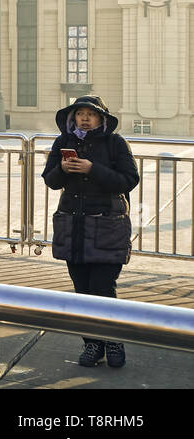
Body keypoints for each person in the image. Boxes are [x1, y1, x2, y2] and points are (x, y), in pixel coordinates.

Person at [43, 94, 139, 368]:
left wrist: (92, 169)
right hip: (73, 226)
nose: (84, 118)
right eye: (80, 113)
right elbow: (50, 180)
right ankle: (92, 344)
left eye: (90, 114)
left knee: (103, 289)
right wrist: (62, 168)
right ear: (72, 118)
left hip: (107, 226)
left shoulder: (115, 143)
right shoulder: (63, 142)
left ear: (102, 118)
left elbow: (129, 180)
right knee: (82, 291)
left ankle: (113, 340)